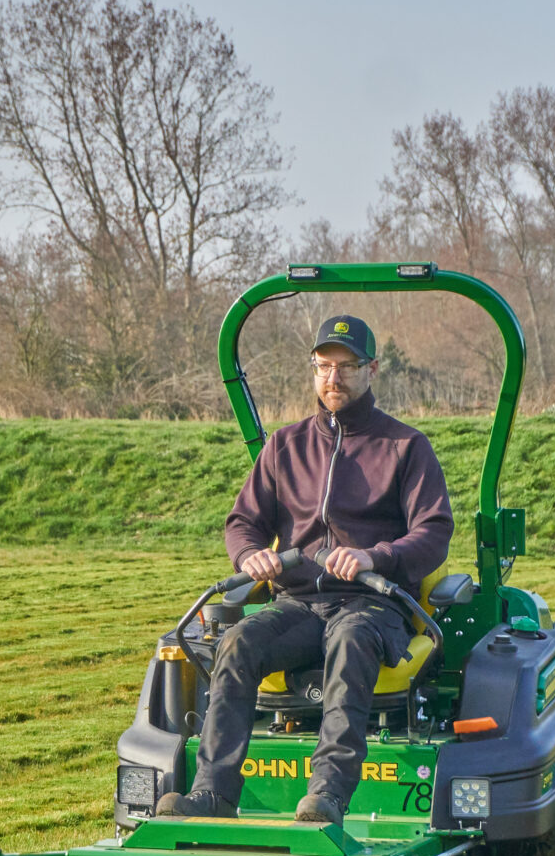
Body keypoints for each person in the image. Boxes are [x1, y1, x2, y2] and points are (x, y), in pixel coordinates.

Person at [156, 314, 454, 825]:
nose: (333, 378)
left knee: (351, 641)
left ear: (372, 369)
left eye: (345, 366)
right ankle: (213, 794)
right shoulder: (284, 446)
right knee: (238, 641)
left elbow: (433, 532)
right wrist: (251, 554)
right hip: (299, 603)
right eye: (323, 367)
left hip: (373, 604)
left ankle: (328, 795)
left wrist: (373, 557)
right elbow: (242, 522)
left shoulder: (406, 447)